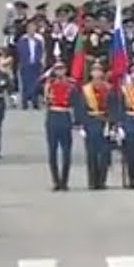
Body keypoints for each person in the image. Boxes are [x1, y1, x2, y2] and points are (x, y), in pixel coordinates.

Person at [76, 61, 113, 190]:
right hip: (91, 122)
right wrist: (81, 124)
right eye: (94, 70)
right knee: (91, 154)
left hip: (104, 122)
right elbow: (81, 108)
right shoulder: (86, 89)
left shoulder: (109, 88)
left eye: (99, 70)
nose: (97, 73)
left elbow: (113, 107)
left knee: (104, 154)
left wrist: (113, 124)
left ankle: (102, 181)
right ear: (91, 73)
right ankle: (92, 181)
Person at [42, 60, 77, 191]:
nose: (59, 72)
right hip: (52, 117)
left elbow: (76, 103)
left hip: (65, 117)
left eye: (61, 69)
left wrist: (77, 121)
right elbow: (36, 91)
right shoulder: (48, 84)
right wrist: (47, 77)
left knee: (66, 152)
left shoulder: (71, 85)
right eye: (57, 69)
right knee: (52, 152)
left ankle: (64, 181)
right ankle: (56, 181)